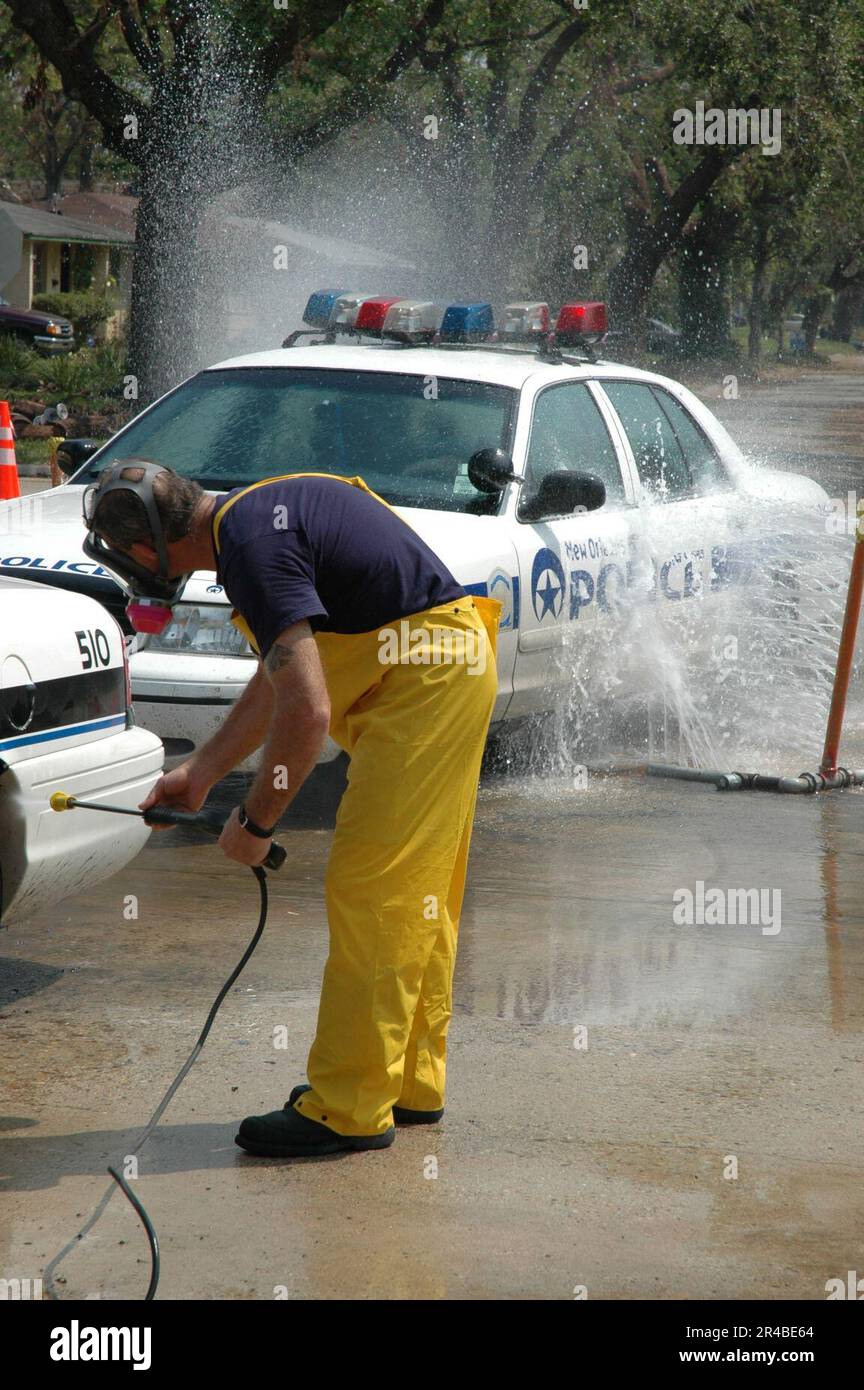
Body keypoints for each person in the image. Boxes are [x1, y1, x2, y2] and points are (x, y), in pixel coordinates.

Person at [83, 461, 500, 1158]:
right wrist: (202, 772)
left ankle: (347, 1108)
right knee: (418, 893)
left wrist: (254, 822)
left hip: (424, 684)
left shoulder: (250, 550)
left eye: (125, 553)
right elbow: (281, 679)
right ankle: (408, 1082)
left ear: (149, 547)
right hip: (444, 666)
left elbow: (307, 711)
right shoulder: (251, 517)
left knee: (377, 893)